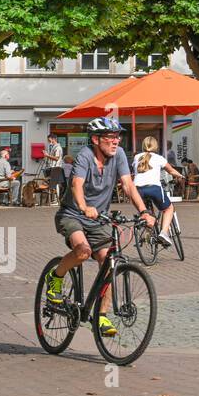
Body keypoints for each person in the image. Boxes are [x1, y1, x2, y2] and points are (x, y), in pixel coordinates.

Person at [44, 117, 155, 337]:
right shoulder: (85, 155)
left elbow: (128, 185)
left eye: (117, 137)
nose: (116, 141)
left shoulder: (119, 155)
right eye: (110, 137)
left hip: (98, 219)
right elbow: (76, 184)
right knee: (83, 251)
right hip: (73, 214)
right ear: (96, 139)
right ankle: (55, 277)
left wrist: (144, 211)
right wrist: (84, 207)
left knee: (109, 261)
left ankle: (102, 316)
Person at [132, 136, 186, 248]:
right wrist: (180, 175)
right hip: (153, 188)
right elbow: (171, 170)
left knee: (145, 211)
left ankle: (147, 233)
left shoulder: (137, 157)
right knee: (168, 208)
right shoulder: (159, 158)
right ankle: (164, 233)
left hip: (137, 190)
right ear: (156, 146)